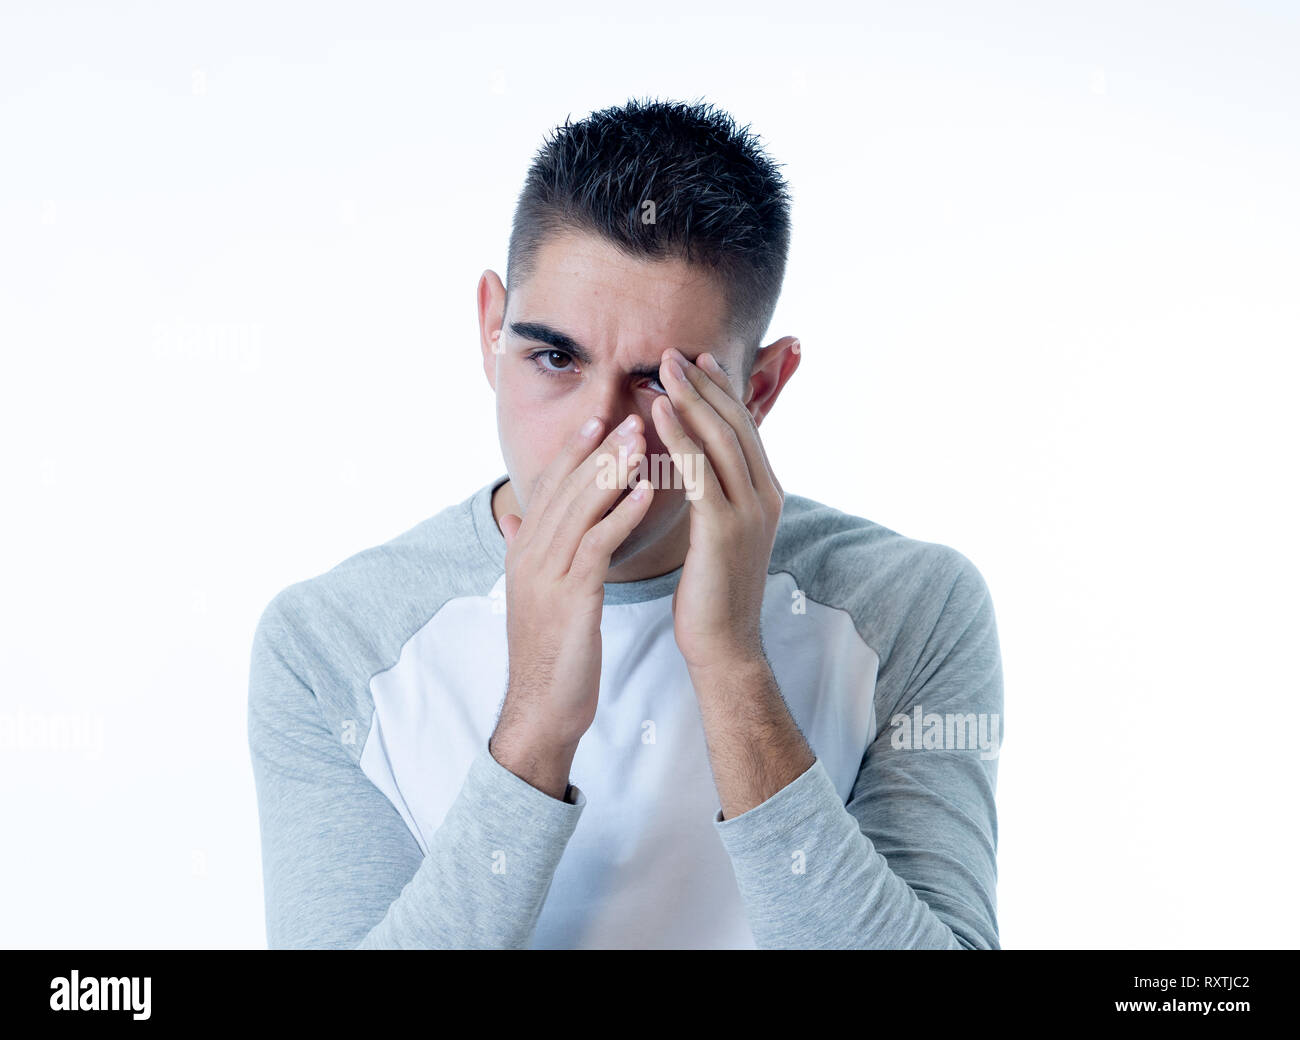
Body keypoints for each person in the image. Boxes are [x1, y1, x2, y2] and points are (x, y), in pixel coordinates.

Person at [248, 96, 1003, 949]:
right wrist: (535, 727)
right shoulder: (330, 642)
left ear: (757, 391)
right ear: (492, 327)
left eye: (658, 382)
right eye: (553, 357)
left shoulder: (909, 608)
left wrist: (731, 664)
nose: (594, 433)